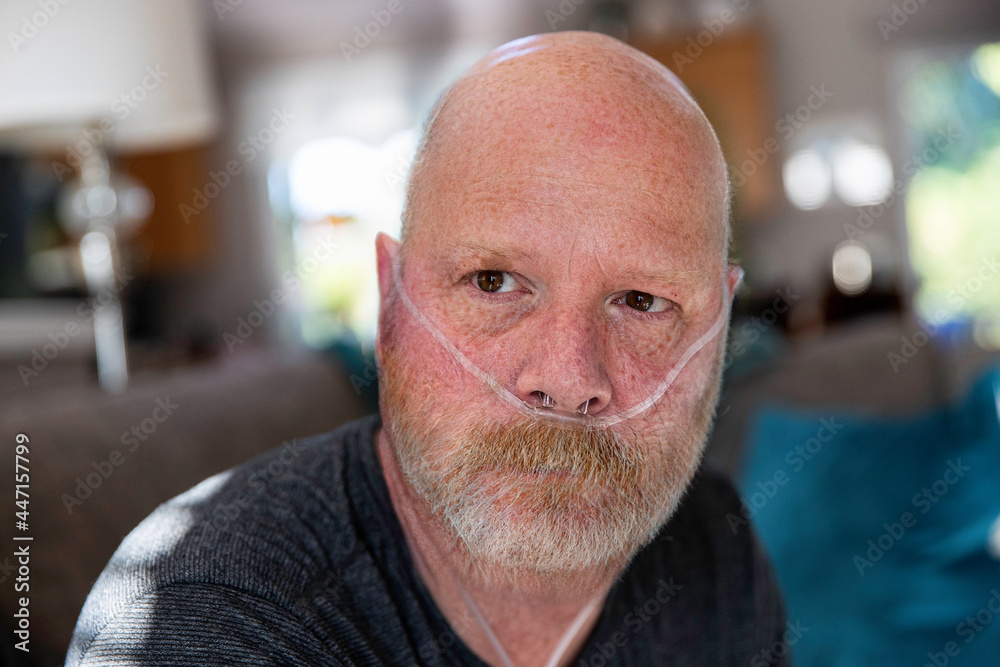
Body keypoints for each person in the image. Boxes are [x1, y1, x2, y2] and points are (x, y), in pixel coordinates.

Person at [67, 31, 789, 666]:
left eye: (642, 301)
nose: (568, 378)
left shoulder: (709, 540)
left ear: (723, 323)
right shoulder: (207, 616)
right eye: (493, 281)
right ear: (389, 304)